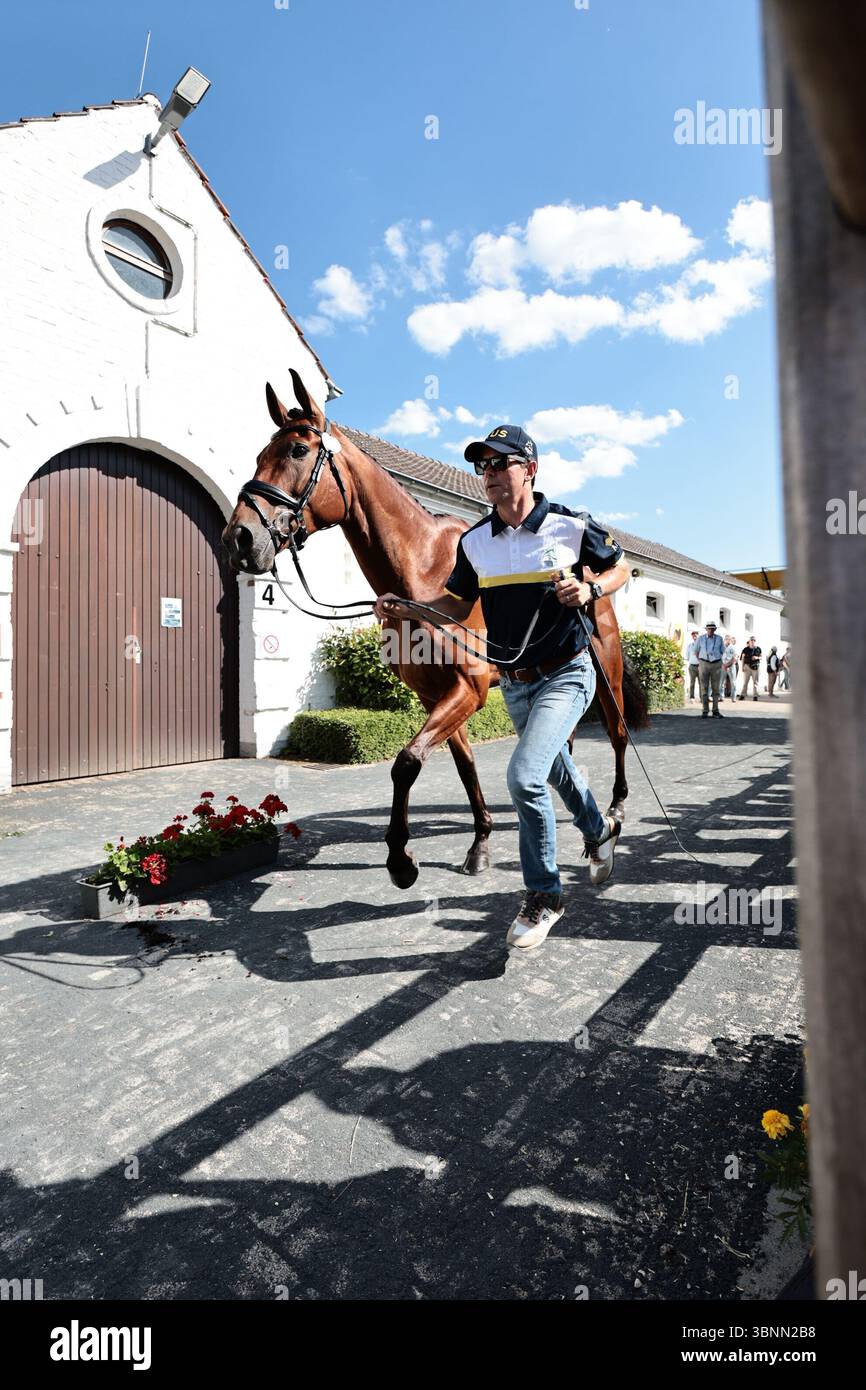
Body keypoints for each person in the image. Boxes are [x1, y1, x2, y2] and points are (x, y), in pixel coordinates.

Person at [373, 422, 630, 952]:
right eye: (481, 465)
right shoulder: (475, 543)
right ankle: (598, 830)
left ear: (529, 469)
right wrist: (408, 606)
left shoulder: (569, 525)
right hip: (515, 682)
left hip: (567, 670)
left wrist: (589, 587)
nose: (488, 474)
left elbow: (622, 567)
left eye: (500, 463)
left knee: (525, 775)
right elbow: (456, 607)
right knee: (553, 767)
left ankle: (544, 895)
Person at [695, 620, 725, 717]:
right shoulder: (701, 639)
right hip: (704, 663)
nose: (711, 630)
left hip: (716, 664)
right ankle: (705, 710)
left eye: (712, 629)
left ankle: (715, 710)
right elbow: (696, 651)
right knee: (704, 688)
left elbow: (722, 651)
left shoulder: (719, 639)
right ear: (706, 629)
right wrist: (700, 661)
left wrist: (720, 661)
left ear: (715, 629)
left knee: (716, 688)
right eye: (709, 629)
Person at [740, 635, 762, 700]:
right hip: (747, 666)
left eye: (754, 640)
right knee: (745, 682)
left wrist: (757, 657)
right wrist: (742, 666)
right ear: (749, 641)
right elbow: (743, 658)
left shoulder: (758, 649)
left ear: (755, 641)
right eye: (751, 640)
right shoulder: (745, 649)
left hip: (756, 667)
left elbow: (761, 657)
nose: (753, 641)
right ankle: (743, 695)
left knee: (755, 682)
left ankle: (755, 696)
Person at [721, 634, 738, 702]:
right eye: (726, 639)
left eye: (729, 639)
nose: (727, 640)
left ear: (730, 640)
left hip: (731, 666)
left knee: (733, 682)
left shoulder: (732, 648)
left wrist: (727, 665)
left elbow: (734, 658)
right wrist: (723, 665)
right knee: (721, 682)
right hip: (723, 666)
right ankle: (721, 696)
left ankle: (733, 697)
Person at [685, 630, 700, 702]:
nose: (694, 636)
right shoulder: (689, 646)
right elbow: (687, 657)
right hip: (692, 666)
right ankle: (692, 697)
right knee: (692, 682)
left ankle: (702, 698)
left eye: (696, 634)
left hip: (700, 666)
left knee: (701, 683)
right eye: (693, 635)